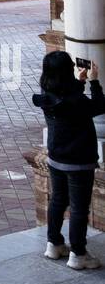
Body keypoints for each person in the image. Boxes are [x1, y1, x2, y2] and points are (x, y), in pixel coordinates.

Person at [33, 52, 104, 271]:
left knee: (58, 200)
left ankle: (53, 244)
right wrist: (94, 82)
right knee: (79, 208)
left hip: (56, 157)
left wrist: (79, 81)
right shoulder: (75, 101)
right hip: (78, 160)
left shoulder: (47, 93)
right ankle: (78, 254)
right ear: (65, 72)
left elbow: (67, 97)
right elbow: (99, 106)